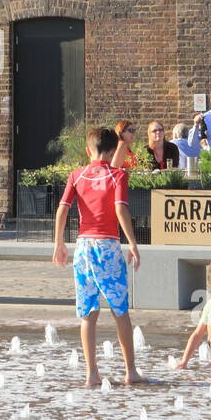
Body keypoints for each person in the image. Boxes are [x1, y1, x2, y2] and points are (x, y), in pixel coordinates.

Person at [52, 127, 143, 388]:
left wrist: (59, 243)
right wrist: (133, 243)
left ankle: (92, 374)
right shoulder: (118, 175)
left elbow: (62, 210)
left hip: (83, 248)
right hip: (107, 247)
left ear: (88, 150)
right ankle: (131, 372)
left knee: (88, 313)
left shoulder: (76, 175)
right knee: (120, 311)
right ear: (113, 152)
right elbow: (120, 210)